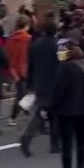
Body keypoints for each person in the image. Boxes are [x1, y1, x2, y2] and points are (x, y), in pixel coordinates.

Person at [51, 42, 84, 168]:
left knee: (67, 144)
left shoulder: (64, 68)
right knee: (82, 144)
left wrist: (51, 107)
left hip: (66, 111)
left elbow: (58, 90)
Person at [21, 19, 62, 155]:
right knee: (54, 114)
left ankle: (27, 138)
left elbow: (31, 66)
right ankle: (53, 144)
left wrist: (30, 84)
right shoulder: (58, 46)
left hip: (39, 82)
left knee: (41, 111)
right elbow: (62, 66)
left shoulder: (35, 45)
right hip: (54, 84)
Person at [5, 15, 32, 126]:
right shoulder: (28, 39)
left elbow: (7, 54)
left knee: (23, 91)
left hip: (13, 68)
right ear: (27, 25)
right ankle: (13, 117)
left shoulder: (11, 38)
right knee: (22, 94)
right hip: (24, 69)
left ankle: (26, 109)